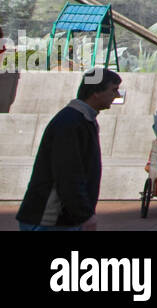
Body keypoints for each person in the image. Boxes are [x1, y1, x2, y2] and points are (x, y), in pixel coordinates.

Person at [16, 68, 122, 231]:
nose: (117, 96)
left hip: (63, 219)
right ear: (96, 92)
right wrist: (85, 215)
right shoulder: (71, 123)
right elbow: (68, 174)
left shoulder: (82, 120)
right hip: (49, 219)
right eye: (113, 90)